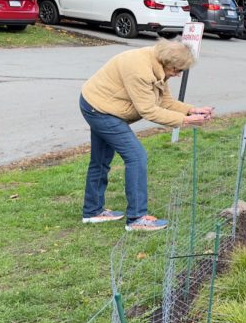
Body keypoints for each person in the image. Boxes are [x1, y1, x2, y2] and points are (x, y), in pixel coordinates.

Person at [79, 40, 213, 231]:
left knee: (101, 160)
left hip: (102, 105)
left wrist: (192, 110)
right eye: (177, 70)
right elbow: (149, 110)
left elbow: (165, 101)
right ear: (168, 63)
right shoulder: (140, 70)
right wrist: (186, 121)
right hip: (100, 109)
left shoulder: (158, 65)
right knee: (136, 156)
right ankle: (137, 218)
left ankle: (92, 212)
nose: (178, 74)